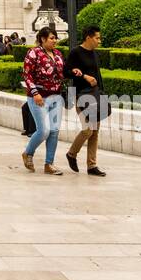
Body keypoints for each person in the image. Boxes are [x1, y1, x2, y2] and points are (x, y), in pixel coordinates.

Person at [19, 27, 66, 174]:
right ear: (43, 39)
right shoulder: (33, 53)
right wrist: (35, 93)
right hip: (39, 97)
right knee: (44, 130)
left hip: (56, 96)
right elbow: (27, 75)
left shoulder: (58, 54)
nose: (54, 41)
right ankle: (28, 152)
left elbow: (62, 73)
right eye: (52, 38)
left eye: (55, 38)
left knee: (54, 131)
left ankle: (49, 164)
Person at [65, 25, 108, 177]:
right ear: (88, 37)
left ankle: (92, 165)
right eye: (97, 38)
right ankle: (71, 154)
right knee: (87, 130)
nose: (99, 41)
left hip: (95, 96)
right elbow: (66, 71)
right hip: (81, 96)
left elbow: (98, 76)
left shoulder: (95, 54)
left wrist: (102, 94)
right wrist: (83, 76)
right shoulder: (76, 52)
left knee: (95, 132)